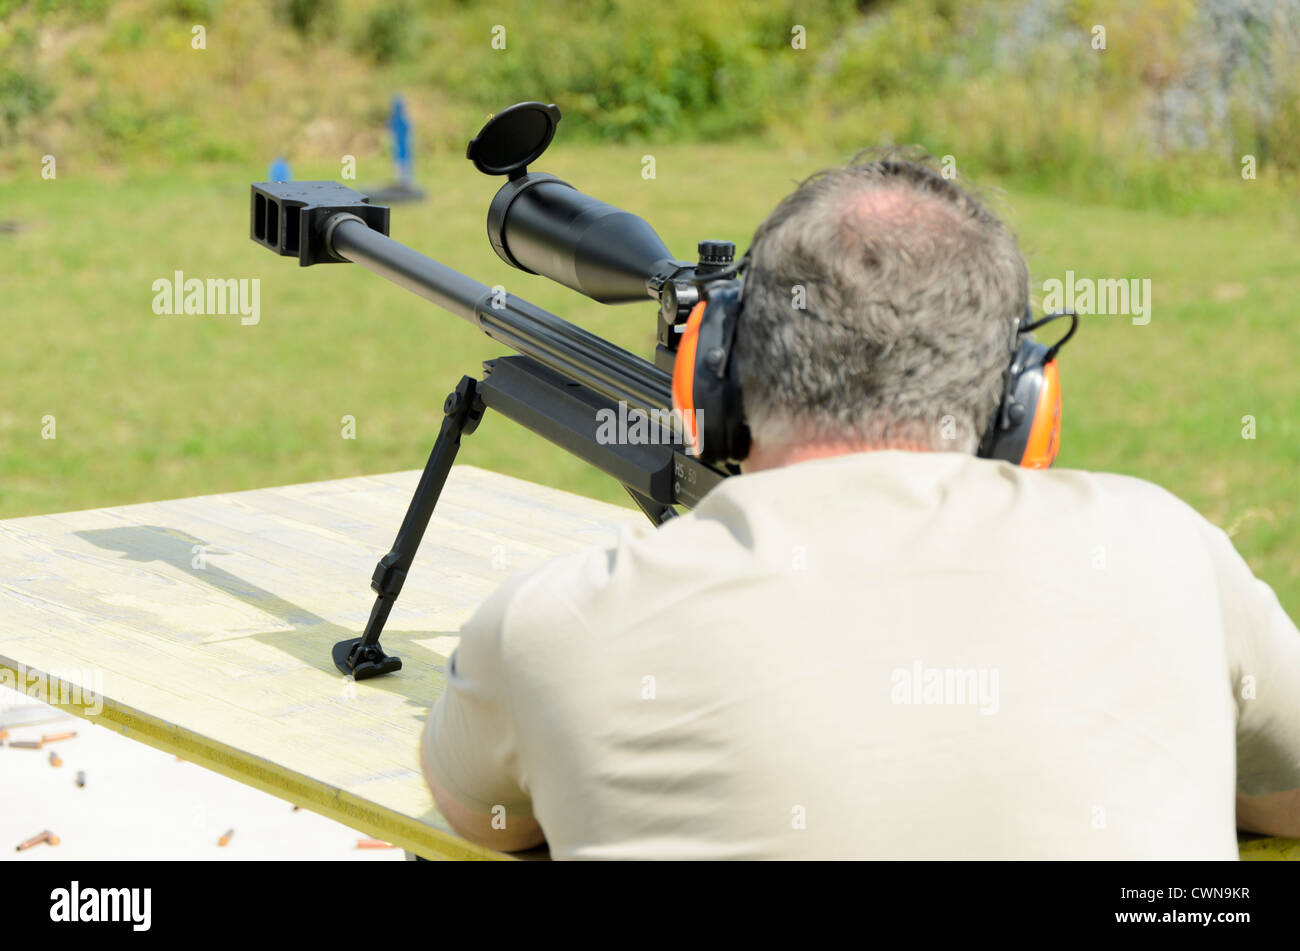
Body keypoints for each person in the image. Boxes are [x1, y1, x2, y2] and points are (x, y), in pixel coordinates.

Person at [419, 151, 1300, 859]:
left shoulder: (552, 625)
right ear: (1021, 404)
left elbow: (477, 815)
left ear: (712, 371)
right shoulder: (1170, 552)